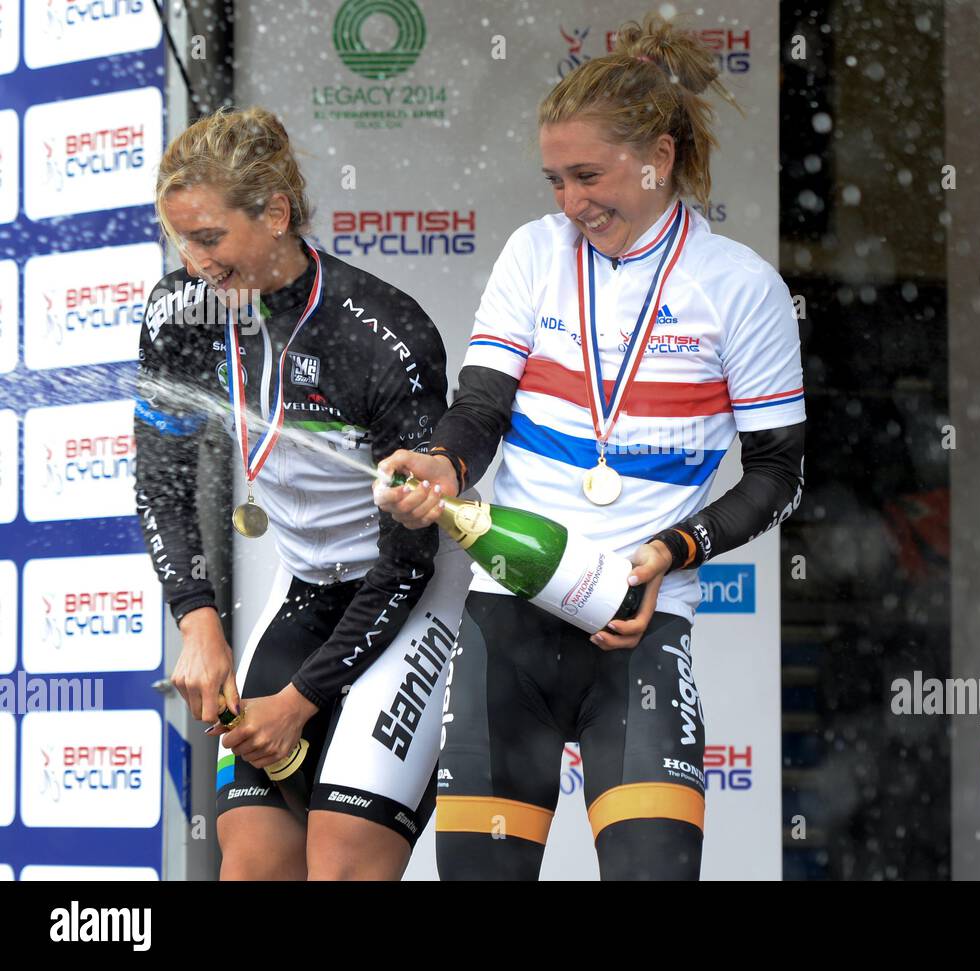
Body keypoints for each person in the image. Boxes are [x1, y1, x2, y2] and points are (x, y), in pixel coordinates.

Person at [374, 15, 806, 880]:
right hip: (509, 618)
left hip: (639, 628)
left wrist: (667, 553)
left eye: (588, 175)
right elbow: (482, 407)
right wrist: (444, 466)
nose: (572, 202)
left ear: (659, 155)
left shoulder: (741, 287)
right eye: (555, 181)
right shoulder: (535, 254)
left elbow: (779, 475)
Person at [135, 106, 471, 880]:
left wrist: (299, 699)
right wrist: (197, 619)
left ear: (277, 213)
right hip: (307, 590)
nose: (193, 261)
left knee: (344, 862)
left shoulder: (383, 330)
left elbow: (409, 557)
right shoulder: (181, 310)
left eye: (211, 237)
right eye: (179, 237)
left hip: (408, 600)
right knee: (251, 862)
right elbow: (160, 476)